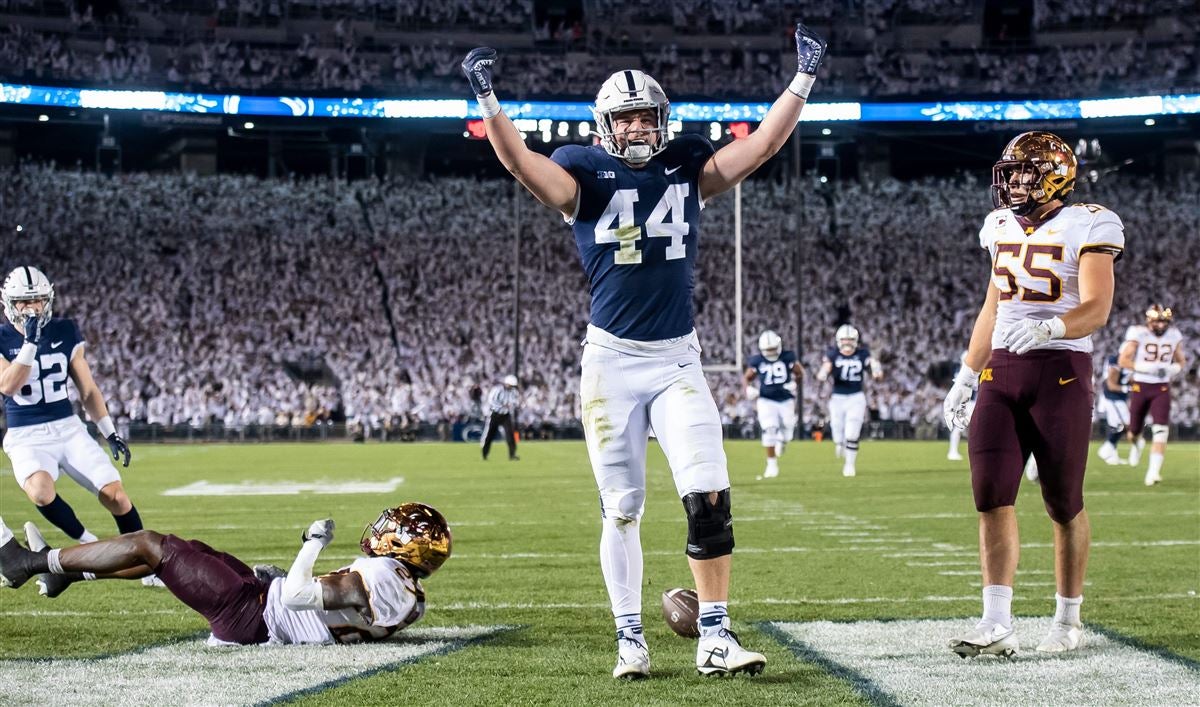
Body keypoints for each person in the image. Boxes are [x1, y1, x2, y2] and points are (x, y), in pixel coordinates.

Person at [461, 22, 827, 679]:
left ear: (661, 121)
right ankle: (630, 636)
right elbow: (520, 163)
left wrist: (803, 78)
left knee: (709, 493)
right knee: (624, 505)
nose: (636, 130)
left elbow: (766, 145)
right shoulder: (582, 174)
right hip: (611, 363)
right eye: (624, 120)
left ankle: (714, 637)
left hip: (678, 359)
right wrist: (489, 100)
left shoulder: (687, 166)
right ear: (605, 127)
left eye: (644, 118)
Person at [942, 131, 1124, 658]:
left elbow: (1097, 307)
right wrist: (965, 373)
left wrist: (1051, 329)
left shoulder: (1089, 221)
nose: (1015, 181)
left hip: (1060, 370)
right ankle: (996, 622)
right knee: (990, 491)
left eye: (1025, 171)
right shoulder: (999, 225)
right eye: (1012, 171)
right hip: (1003, 367)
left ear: (1056, 173)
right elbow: (991, 309)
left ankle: (1068, 618)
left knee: (1063, 502)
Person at [0, 502, 451, 646]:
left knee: (150, 544)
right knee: (189, 550)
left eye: (390, 529)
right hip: (262, 600)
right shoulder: (409, 593)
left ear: (405, 544)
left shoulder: (381, 576)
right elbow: (338, 608)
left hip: (255, 615)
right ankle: (69, 575)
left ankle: (30, 564)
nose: (379, 531)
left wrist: (312, 544)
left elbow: (297, 598)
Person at [0, 267, 157, 583]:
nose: (32, 308)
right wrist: (30, 343)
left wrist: (109, 431)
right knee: (40, 491)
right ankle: (88, 543)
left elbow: (87, 389)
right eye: (24, 303)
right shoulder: (2, 337)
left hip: (68, 427)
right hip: (26, 434)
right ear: (9, 304)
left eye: (39, 300)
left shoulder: (65, 330)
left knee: (116, 496)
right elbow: (8, 385)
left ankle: (146, 565)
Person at [1118, 304, 1186, 485]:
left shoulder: (1174, 335)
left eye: (1164, 321)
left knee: (1161, 430)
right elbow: (1123, 360)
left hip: (1161, 387)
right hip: (1140, 385)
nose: (1161, 325)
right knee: (1133, 431)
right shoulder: (1137, 333)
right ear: (1149, 320)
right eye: (1157, 321)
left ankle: (1153, 472)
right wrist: (1144, 368)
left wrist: (1172, 369)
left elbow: (1181, 360)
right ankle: (1136, 444)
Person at [814, 325, 882, 477]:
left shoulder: (862, 354)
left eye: (850, 340)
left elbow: (873, 368)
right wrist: (823, 372)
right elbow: (826, 366)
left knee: (852, 432)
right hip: (837, 397)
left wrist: (876, 370)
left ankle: (850, 465)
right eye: (844, 340)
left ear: (856, 340)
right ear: (839, 340)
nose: (847, 343)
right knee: (837, 428)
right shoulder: (833, 354)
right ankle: (839, 443)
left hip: (856, 397)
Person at [744, 330, 804, 479]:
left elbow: (799, 373)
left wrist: (794, 384)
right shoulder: (757, 360)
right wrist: (748, 388)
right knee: (769, 429)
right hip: (766, 399)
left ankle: (783, 442)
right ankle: (771, 464)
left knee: (788, 430)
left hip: (785, 399)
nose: (770, 353)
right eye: (768, 350)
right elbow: (747, 377)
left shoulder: (788, 356)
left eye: (772, 349)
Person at [1095, 351, 1133, 465]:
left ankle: (1111, 454)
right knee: (1123, 425)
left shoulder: (1131, 359)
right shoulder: (1116, 360)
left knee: (1117, 425)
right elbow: (1111, 385)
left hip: (1118, 398)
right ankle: (1107, 449)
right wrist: (1128, 388)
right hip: (1112, 397)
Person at [481, 374, 520, 461]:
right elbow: (491, 401)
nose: (511, 387)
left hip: (505, 415)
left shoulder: (513, 391)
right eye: (510, 385)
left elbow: (515, 401)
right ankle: (485, 454)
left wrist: (512, 404)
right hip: (495, 414)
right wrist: (503, 405)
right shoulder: (497, 390)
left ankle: (512, 454)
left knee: (510, 435)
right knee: (490, 435)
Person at [947, 351, 973, 461]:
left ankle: (955, 451)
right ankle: (952, 451)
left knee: (967, 429)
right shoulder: (963, 372)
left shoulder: (962, 371)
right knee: (959, 428)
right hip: (965, 402)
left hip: (969, 401)